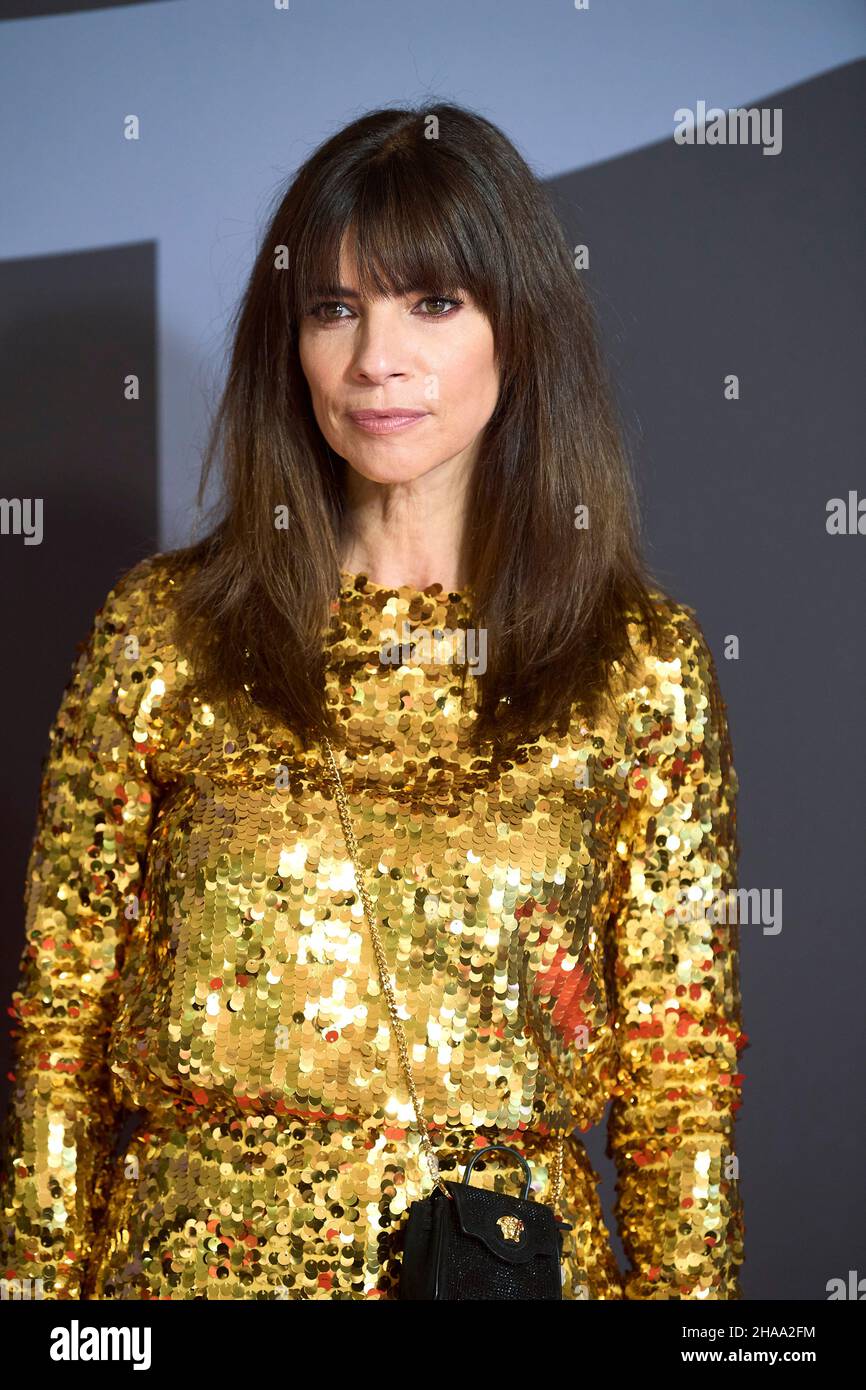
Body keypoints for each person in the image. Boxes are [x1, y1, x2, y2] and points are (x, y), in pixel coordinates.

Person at [0, 101, 746, 1300]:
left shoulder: (634, 663)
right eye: (333, 308)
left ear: (520, 330)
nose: (375, 360)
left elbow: (678, 1079)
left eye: (432, 303)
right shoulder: (164, 634)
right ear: (286, 343)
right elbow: (59, 1031)